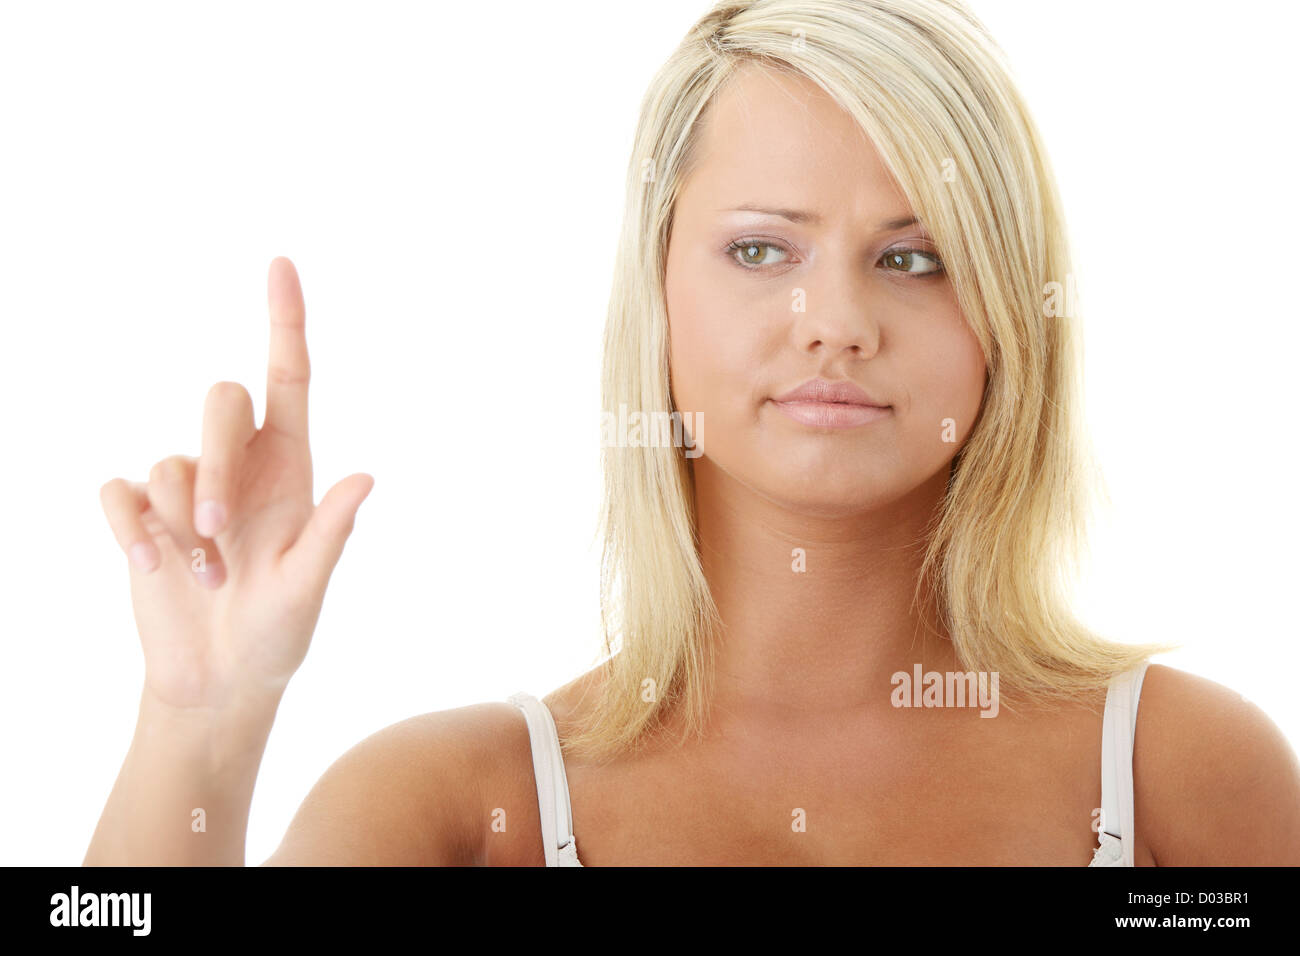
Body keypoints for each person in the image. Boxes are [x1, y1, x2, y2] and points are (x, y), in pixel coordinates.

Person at [86, 0, 1300, 866]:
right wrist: (201, 721)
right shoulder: (460, 803)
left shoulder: (1176, 775)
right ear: (657, 292)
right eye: (761, 249)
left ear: (1006, 318)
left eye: (914, 257)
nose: (834, 321)